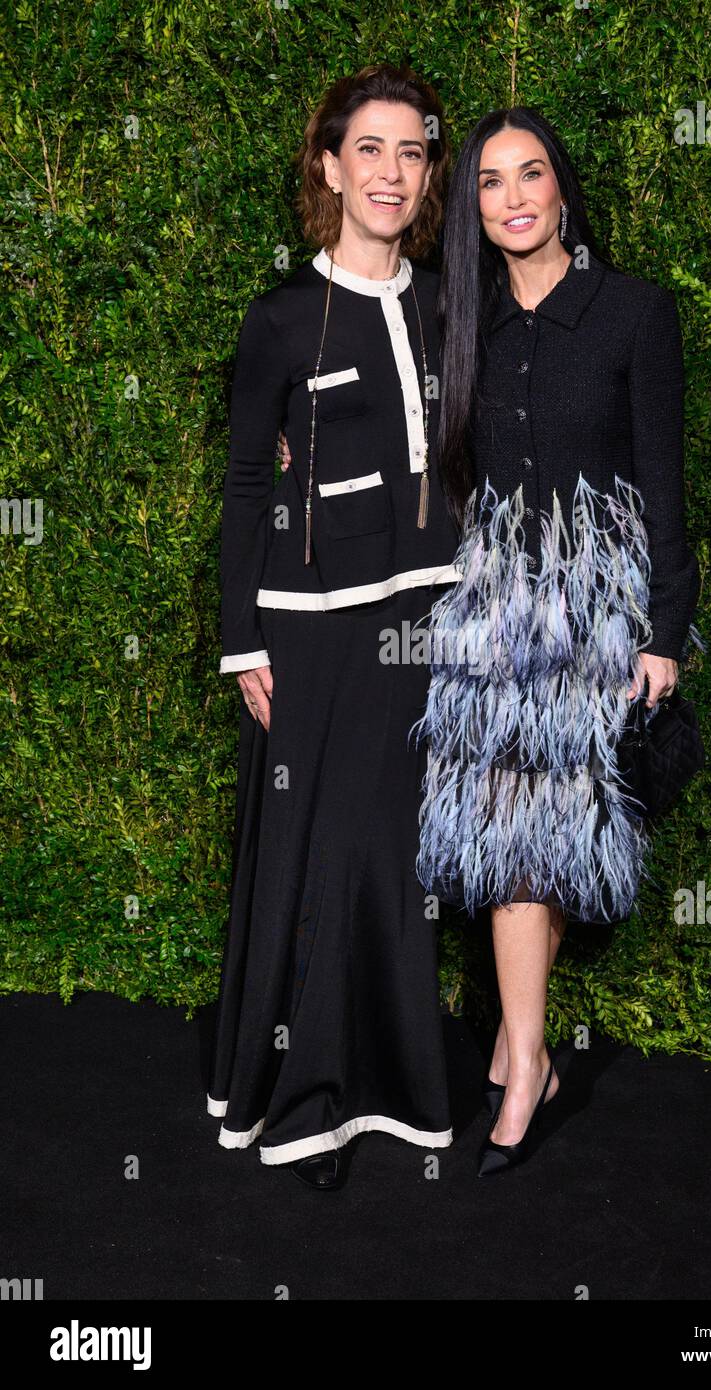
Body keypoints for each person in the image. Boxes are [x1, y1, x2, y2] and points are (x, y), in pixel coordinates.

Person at [412, 107, 703, 1176]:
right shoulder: (467, 323)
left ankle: (516, 1042)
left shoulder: (631, 313)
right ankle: (524, 1047)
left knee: (558, 831)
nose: (513, 197)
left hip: (595, 611)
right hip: (492, 615)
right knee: (504, 838)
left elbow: (665, 487)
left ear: (561, 186)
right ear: (474, 210)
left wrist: (663, 632)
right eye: (489, 183)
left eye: (530, 173)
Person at [207, 64, 460, 1190]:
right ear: (327, 166)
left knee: (390, 860)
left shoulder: (451, 298)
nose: (390, 172)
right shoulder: (277, 318)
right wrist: (242, 637)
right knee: (310, 857)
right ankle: (298, 1096)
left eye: (409, 152)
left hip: (426, 619)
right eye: (369, 149)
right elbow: (244, 489)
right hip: (307, 630)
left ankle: (390, 1094)